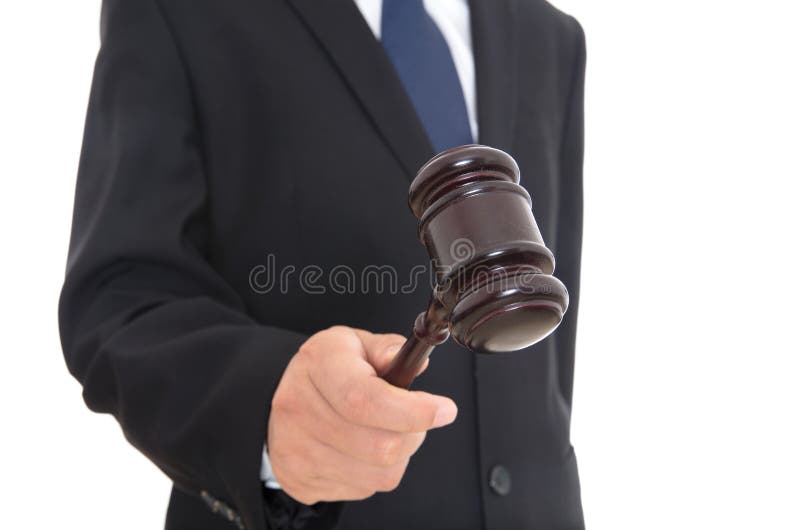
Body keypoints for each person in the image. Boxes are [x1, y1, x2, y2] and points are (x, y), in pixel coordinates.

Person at [59, 0, 586, 528]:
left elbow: (550, 339)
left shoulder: (548, 35)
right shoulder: (179, 11)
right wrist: (265, 406)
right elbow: (120, 298)